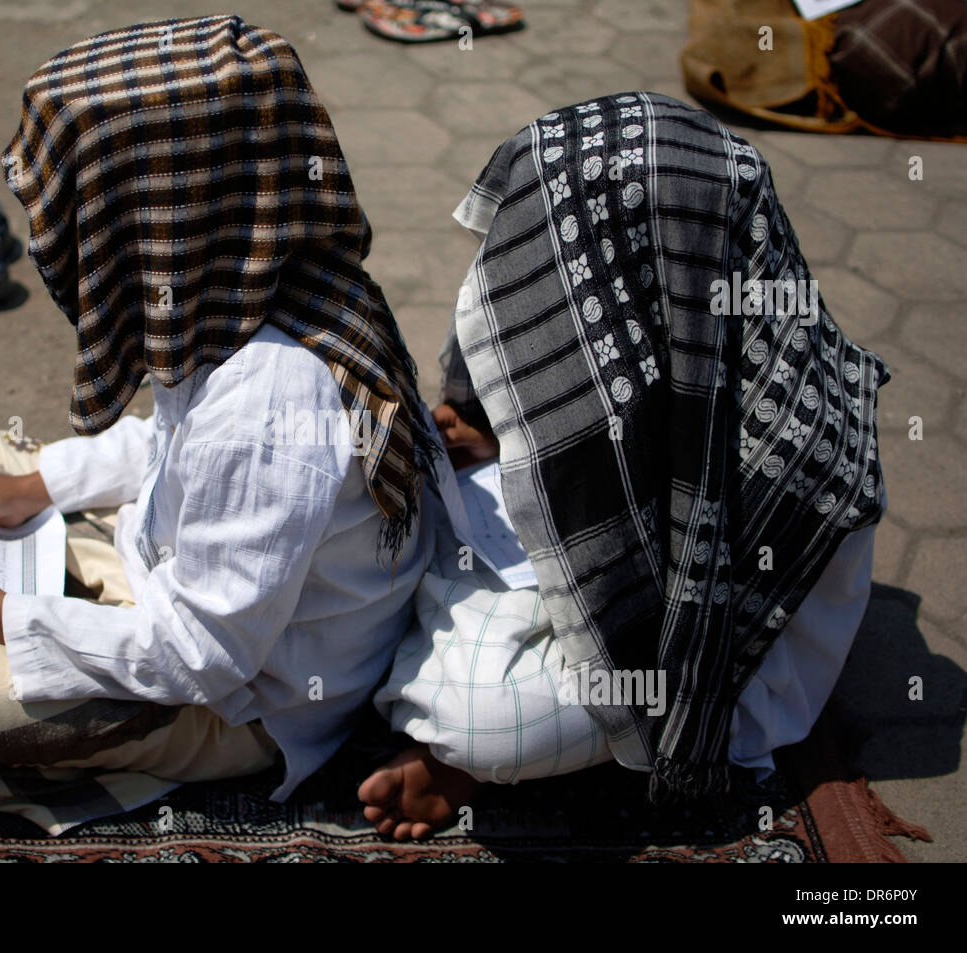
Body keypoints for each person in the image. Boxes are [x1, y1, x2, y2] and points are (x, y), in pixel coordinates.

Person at [0, 15, 440, 834]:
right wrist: (35, 484)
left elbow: (204, 655)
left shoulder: (267, 402)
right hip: (184, 576)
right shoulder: (263, 278)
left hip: (247, 699)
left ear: (161, 211)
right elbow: (169, 442)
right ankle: (25, 660)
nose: (58, 243)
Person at [360, 93, 889, 840]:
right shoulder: (638, 309)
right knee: (396, 511)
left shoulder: (794, 450)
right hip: (576, 574)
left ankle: (476, 750)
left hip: (696, 664)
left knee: (486, 720)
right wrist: (493, 434)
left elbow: (683, 647)